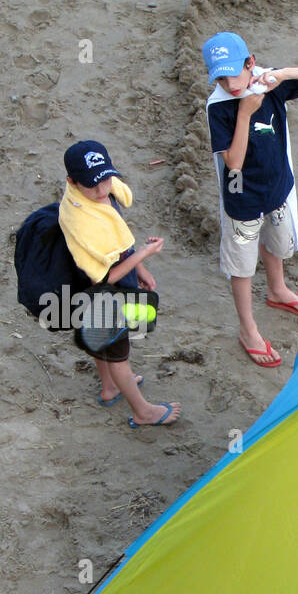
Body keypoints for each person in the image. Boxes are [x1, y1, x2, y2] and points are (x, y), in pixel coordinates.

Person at [202, 32, 298, 368]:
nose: (229, 83)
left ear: (250, 63)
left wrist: (283, 74)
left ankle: (278, 290)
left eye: (234, 73)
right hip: (241, 198)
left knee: (278, 244)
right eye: (220, 77)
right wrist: (246, 113)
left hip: (278, 187)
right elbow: (233, 162)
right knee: (242, 266)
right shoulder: (219, 105)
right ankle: (248, 329)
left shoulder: (269, 83)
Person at [59, 141, 180, 428]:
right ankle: (143, 411)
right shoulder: (80, 220)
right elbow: (104, 278)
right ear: (71, 182)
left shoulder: (98, 196)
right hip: (105, 295)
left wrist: (139, 266)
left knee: (102, 342)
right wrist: (143, 254)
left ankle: (110, 387)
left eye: (105, 179)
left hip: (96, 294)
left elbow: (118, 240)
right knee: (119, 354)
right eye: (92, 185)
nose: (102, 190)